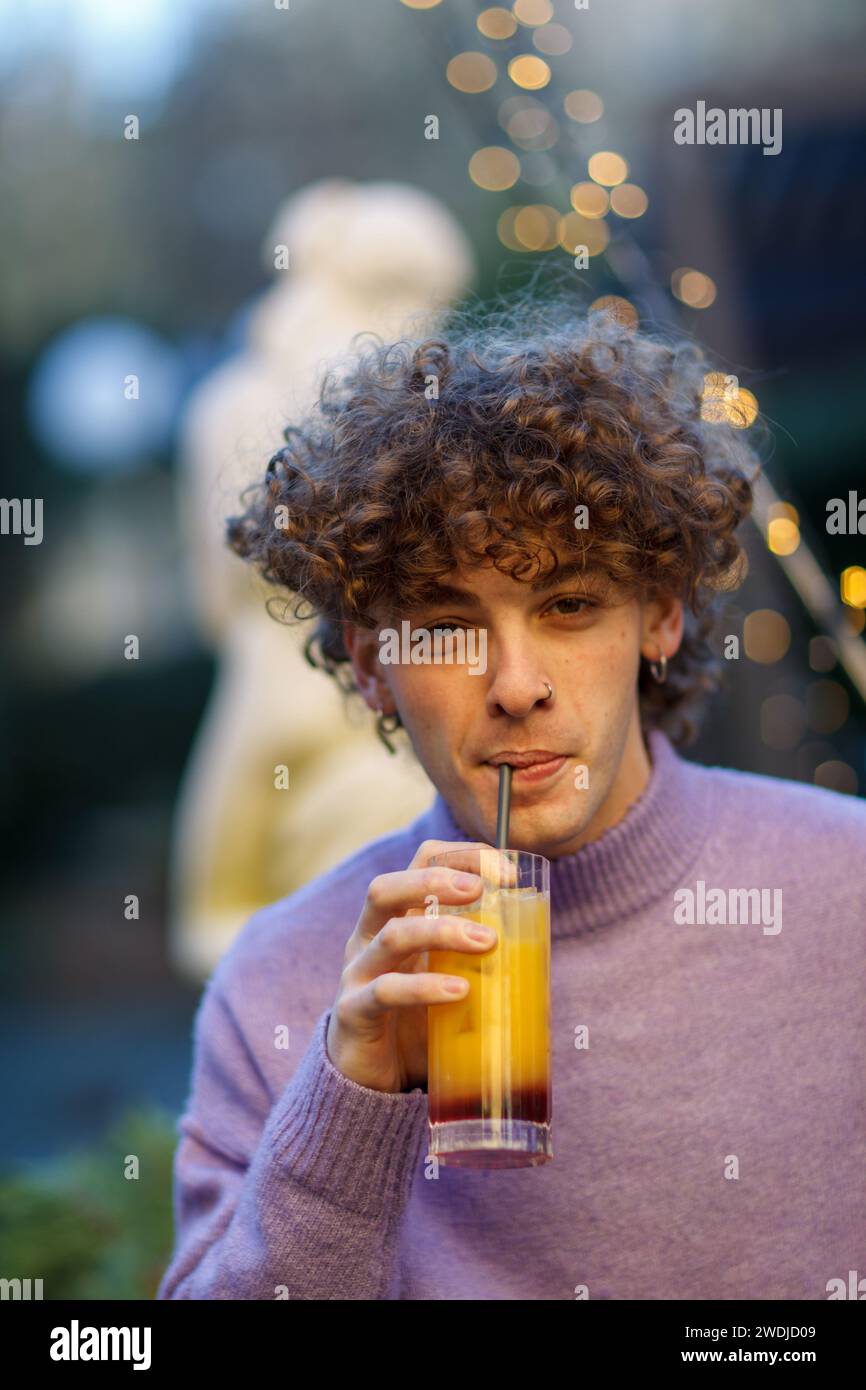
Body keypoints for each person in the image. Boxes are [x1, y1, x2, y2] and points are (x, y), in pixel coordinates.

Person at [156, 290, 866, 1300]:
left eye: (569, 604)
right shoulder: (278, 981)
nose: (516, 685)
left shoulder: (847, 886)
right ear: (373, 665)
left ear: (660, 615)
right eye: (447, 628)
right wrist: (348, 1103)